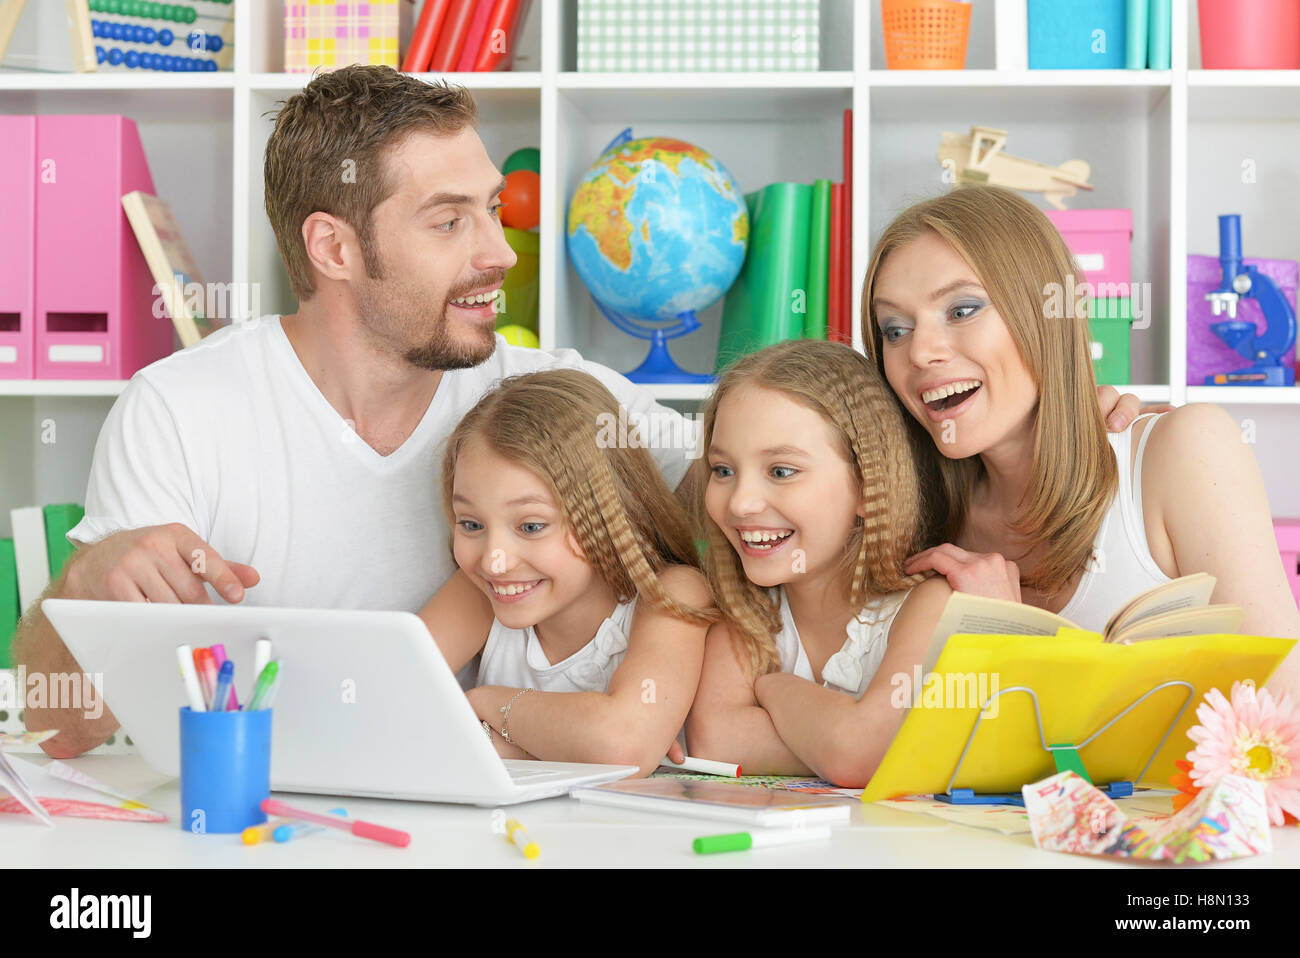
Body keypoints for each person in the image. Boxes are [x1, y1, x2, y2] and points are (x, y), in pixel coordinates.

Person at [13, 66, 698, 758]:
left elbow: (747, 487)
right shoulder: (177, 410)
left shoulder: (546, 404)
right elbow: (58, 731)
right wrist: (84, 585)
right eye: (449, 221)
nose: (498, 253)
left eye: (493, 210)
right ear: (333, 248)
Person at [863, 185, 1300, 695]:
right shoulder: (914, 518)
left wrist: (1012, 638)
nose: (919, 352)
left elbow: (1282, 723)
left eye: (962, 310)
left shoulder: (1184, 452)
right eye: (894, 329)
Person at [418, 369, 715, 775]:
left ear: (609, 513)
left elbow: (623, 744)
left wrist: (484, 702)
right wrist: (541, 746)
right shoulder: (482, 591)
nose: (494, 560)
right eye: (471, 524)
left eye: (531, 527)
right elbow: (385, 697)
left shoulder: (673, 595)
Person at [685, 340, 953, 785]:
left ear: (869, 487)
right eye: (723, 470)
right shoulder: (745, 612)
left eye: (781, 471)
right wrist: (843, 735)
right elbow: (715, 739)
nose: (742, 503)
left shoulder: (929, 604)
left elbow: (860, 755)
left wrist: (773, 688)